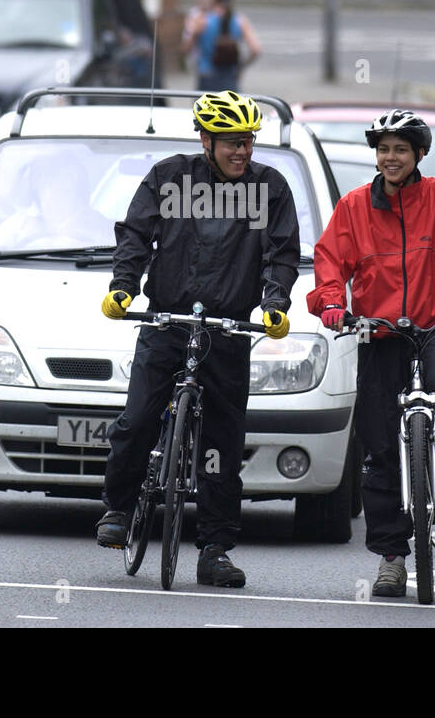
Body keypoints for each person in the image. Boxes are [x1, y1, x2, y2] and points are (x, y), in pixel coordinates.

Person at [306, 109, 435, 599]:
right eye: (383, 149)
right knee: (379, 448)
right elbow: (329, 261)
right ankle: (392, 560)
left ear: (419, 154)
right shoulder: (355, 207)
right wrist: (333, 304)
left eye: (400, 149)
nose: (390, 157)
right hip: (379, 332)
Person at [96, 90, 300, 588]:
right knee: (139, 418)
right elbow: (136, 235)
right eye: (232, 142)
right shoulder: (170, 177)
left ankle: (215, 549)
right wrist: (123, 288)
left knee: (222, 446)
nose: (242, 152)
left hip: (227, 331)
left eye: (248, 142)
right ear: (206, 140)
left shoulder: (269, 188)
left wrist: (275, 304)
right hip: (166, 321)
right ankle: (119, 509)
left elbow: (282, 254)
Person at [184, 0, 261, 93]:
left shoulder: (203, 20)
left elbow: (187, 48)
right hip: (230, 75)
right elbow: (256, 50)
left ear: (214, 0)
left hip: (206, 74)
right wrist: (241, 67)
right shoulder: (240, 20)